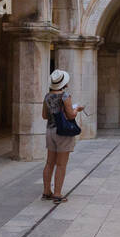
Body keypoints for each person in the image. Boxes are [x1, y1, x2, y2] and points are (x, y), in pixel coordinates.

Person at [41, 68, 83, 204]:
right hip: (63, 132)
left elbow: (44, 116)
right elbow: (71, 115)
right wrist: (76, 109)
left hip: (50, 131)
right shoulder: (65, 96)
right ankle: (57, 194)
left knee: (49, 162)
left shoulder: (47, 96)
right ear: (64, 83)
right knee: (61, 164)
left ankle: (47, 191)